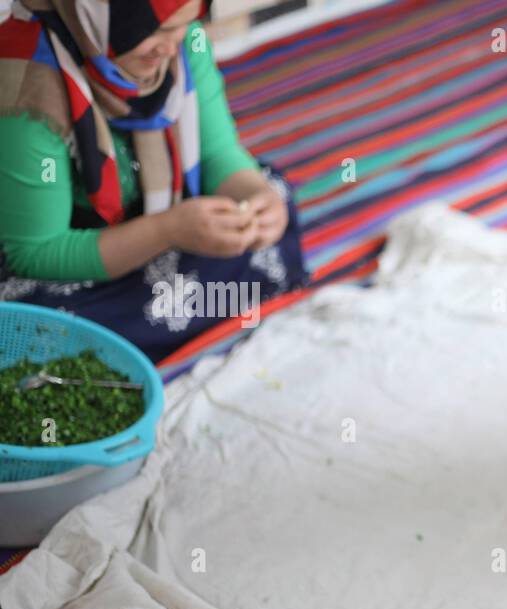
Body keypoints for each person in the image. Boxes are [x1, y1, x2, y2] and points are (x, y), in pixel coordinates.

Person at [0, 0, 308, 361]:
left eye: (184, 23)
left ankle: (162, 321)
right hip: (63, 247)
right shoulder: (27, 87)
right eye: (156, 28)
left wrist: (256, 197)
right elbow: (36, 252)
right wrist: (166, 232)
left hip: (156, 216)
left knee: (273, 192)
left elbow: (216, 154)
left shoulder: (184, 42)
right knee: (36, 325)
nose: (170, 45)